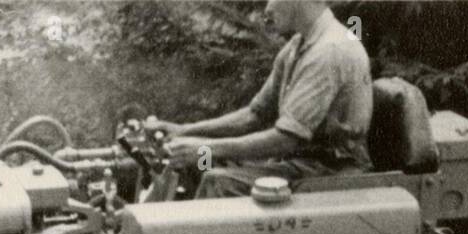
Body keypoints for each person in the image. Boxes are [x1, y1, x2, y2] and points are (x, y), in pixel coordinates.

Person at [156, 0, 372, 198]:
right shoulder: (297, 46)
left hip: (332, 172)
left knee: (219, 181)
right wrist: (185, 130)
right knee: (203, 164)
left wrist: (205, 150)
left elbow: (286, 140)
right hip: (301, 165)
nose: (267, 9)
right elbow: (255, 114)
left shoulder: (329, 51)